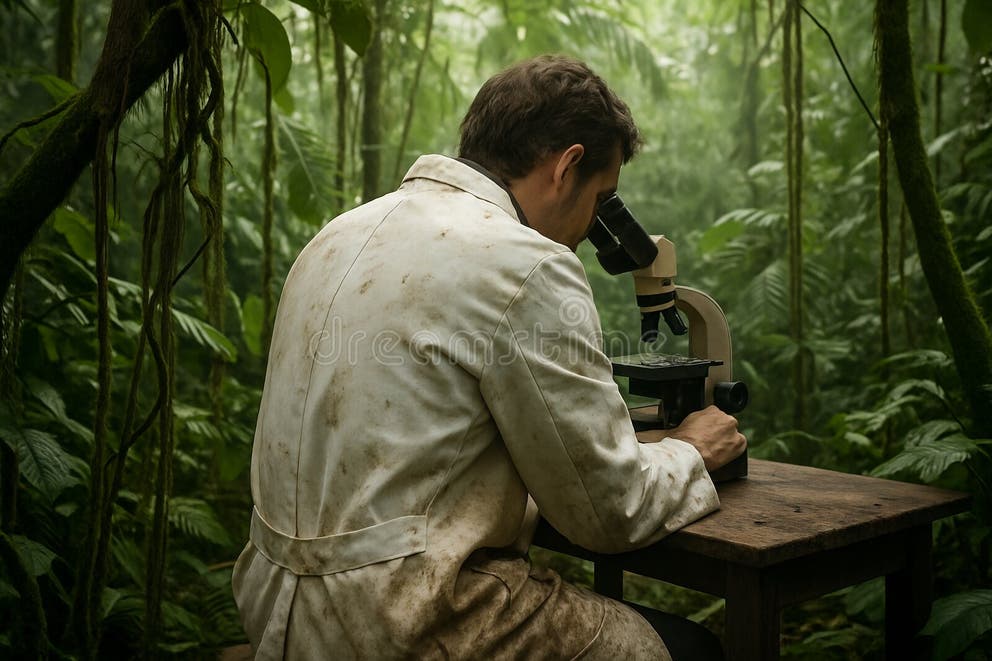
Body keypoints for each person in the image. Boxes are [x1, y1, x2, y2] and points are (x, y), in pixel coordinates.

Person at [232, 54, 746, 660]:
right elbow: (609, 510)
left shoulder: (335, 235)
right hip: (408, 618)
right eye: (601, 196)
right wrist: (691, 450)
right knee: (697, 650)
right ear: (567, 166)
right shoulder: (525, 262)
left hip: (276, 607)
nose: (588, 226)